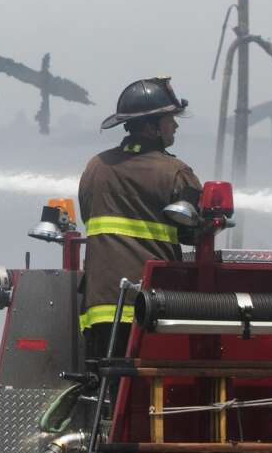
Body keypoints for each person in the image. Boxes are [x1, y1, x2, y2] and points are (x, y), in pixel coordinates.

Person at [78, 77, 202, 359]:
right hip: (151, 308)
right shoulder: (176, 173)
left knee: (105, 392)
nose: (176, 125)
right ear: (150, 127)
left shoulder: (96, 168)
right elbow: (194, 233)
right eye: (170, 119)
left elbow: (88, 217)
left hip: (100, 309)